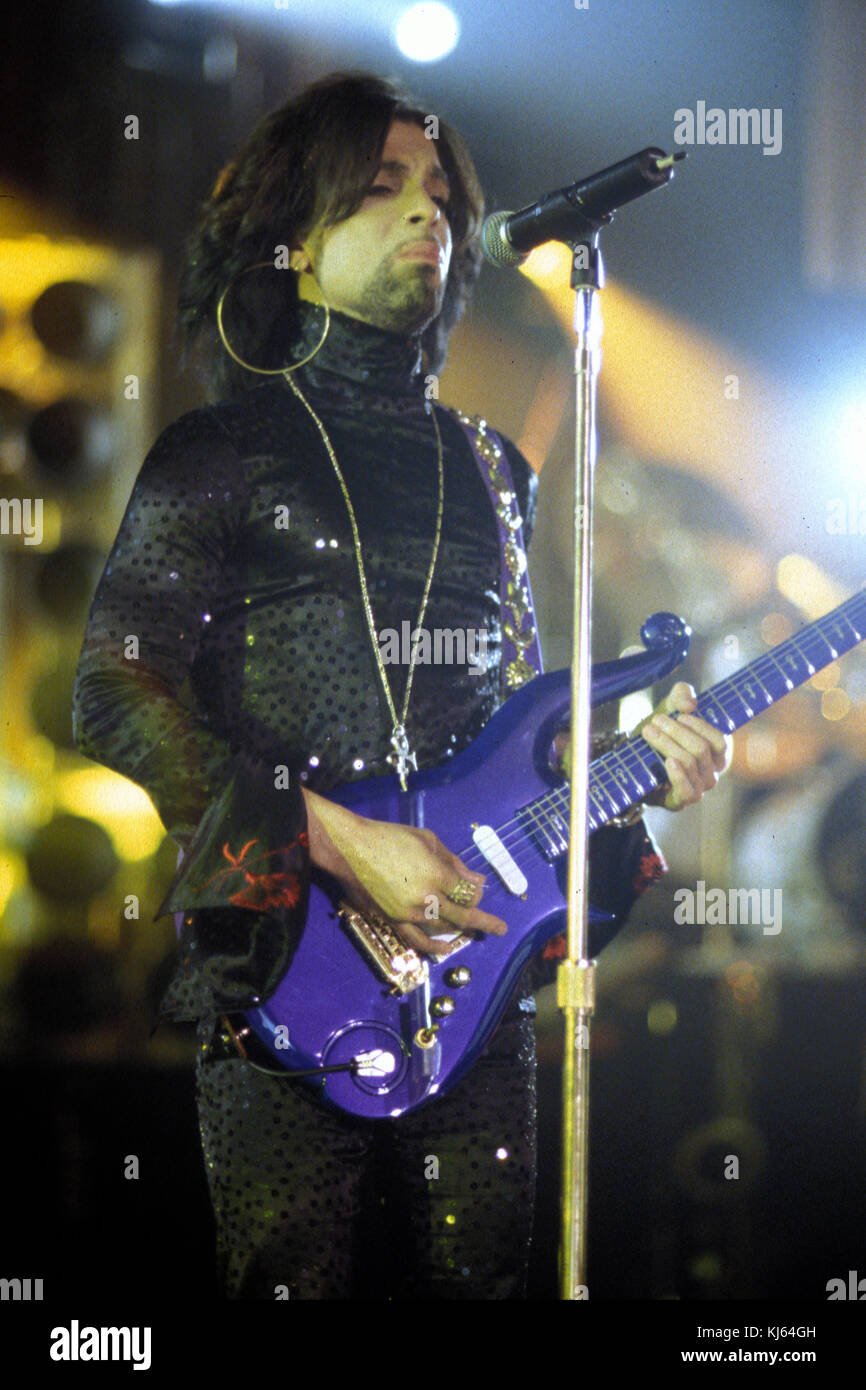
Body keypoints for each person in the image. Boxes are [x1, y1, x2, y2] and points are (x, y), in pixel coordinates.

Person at [72, 72, 729, 1299]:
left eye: (440, 192)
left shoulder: (492, 468)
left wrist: (638, 776)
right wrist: (335, 838)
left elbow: (520, 736)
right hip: (284, 963)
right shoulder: (223, 449)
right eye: (383, 190)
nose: (428, 213)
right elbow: (111, 690)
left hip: (470, 985)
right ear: (295, 238)